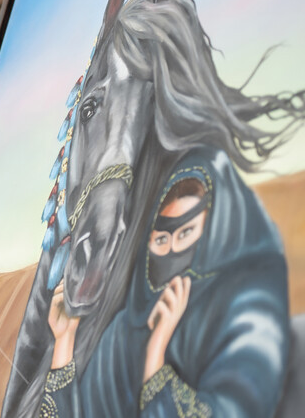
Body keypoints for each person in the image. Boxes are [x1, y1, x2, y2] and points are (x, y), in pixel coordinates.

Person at [42, 148, 290, 417]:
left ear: (217, 234)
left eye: (186, 233)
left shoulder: (251, 315)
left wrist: (156, 357)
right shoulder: (123, 333)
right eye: (161, 239)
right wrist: (64, 344)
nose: (172, 250)